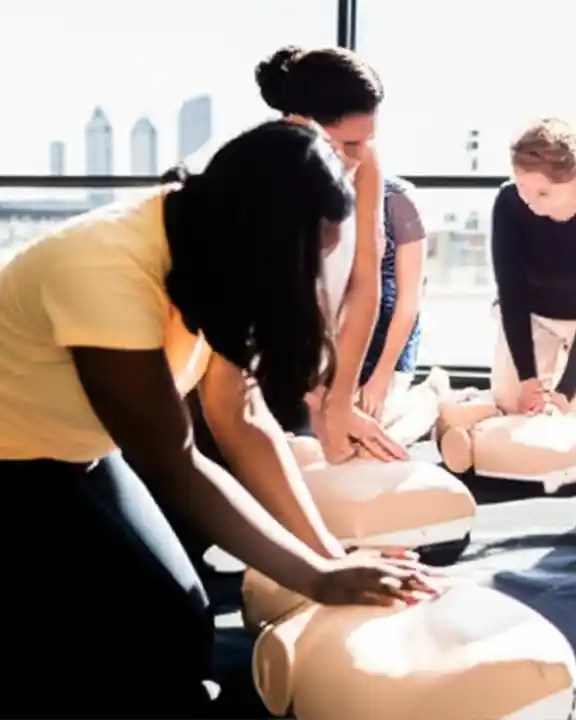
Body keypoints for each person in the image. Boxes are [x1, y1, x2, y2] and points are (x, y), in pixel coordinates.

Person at [0, 121, 437, 717]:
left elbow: (240, 418)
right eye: (305, 261)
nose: (307, 283)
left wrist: (331, 557)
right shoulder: (103, 267)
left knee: (171, 621)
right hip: (13, 459)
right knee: (145, 625)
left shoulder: (214, 258)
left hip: (79, 449)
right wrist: (313, 577)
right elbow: (173, 460)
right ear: (259, 238)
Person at [256, 44, 407, 463]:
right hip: (257, 361)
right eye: (348, 142)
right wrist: (317, 398)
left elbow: (365, 281)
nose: (359, 155)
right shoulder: (268, 171)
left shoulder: (366, 162)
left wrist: (340, 400)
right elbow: (267, 309)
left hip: (321, 361)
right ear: (298, 123)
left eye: (367, 140)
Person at [490, 118, 576, 422]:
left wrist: (564, 393)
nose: (528, 201)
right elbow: (511, 295)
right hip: (535, 315)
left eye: (543, 193)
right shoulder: (508, 201)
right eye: (522, 187)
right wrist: (528, 380)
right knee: (512, 404)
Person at [357, 174, 427, 422]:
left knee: (373, 432)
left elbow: (410, 301)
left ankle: (429, 397)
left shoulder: (397, 199)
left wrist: (380, 379)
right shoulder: (317, 193)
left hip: (389, 334)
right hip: (340, 339)